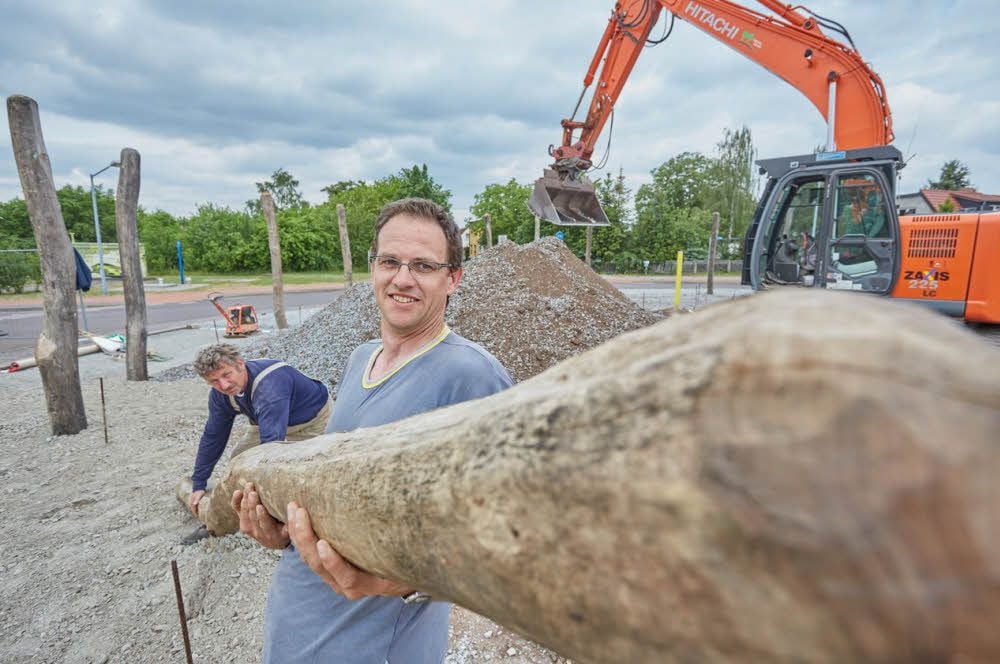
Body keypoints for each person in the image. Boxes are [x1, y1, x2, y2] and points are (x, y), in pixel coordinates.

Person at [232, 198, 514, 664]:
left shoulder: (471, 375)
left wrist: (402, 583)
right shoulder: (361, 358)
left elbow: (503, 537)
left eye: (423, 265)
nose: (402, 279)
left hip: (375, 643)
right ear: (374, 267)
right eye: (390, 261)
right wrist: (284, 530)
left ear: (453, 279)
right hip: (299, 622)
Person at [179, 343, 331, 535]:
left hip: (311, 422)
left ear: (240, 364)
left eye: (227, 375)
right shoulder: (221, 395)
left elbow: (270, 451)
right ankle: (227, 519)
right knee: (237, 462)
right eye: (214, 381)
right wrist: (199, 482)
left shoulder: (269, 386)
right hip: (266, 421)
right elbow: (213, 436)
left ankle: (277, 518)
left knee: (303, 471)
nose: (223, 385)